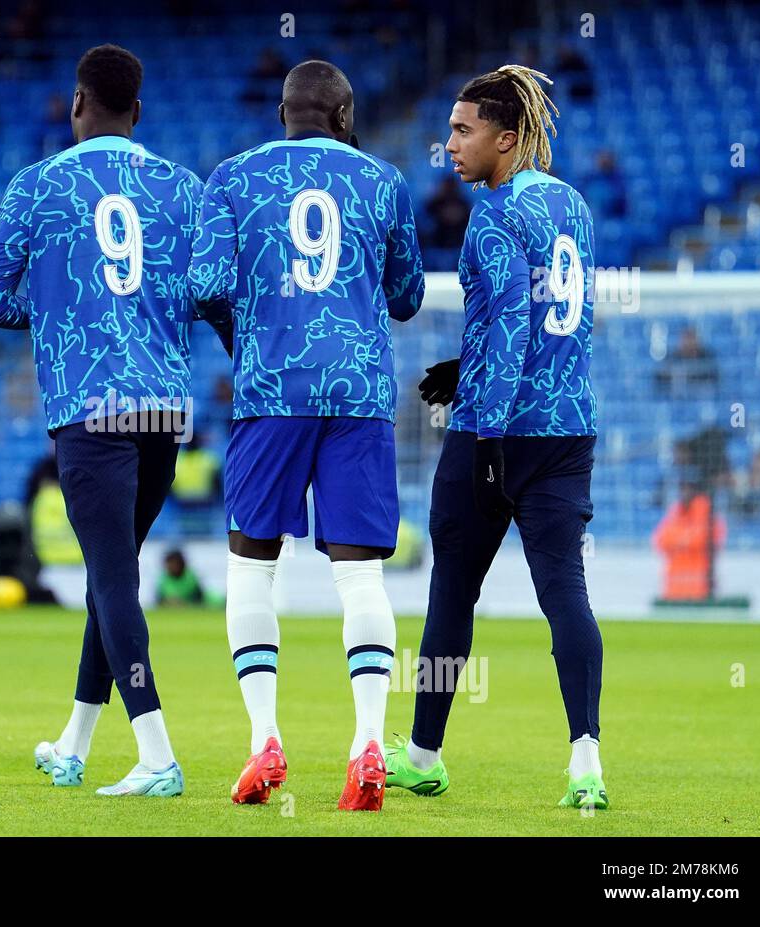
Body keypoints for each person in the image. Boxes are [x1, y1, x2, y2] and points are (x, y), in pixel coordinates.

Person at [189, 59, 423, 812]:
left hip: (270, 392)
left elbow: (205, 286)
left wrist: (248, 338)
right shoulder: (382, 180)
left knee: (251, 567)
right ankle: (367, 745)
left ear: (282, 113)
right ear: (345, 114)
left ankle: (264, 737)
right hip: (357, 394)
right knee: (360, 576)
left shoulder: (230, 177)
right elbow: (408, 295)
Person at [0, 45, 202, 798]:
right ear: (137, 113)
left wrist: (61, 304)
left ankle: (157, 753)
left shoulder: (37, 186)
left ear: (78, 104)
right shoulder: (181, 187)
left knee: (109, 577)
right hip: (166, 409)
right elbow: (209, 290)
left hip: (91, 404)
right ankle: (73, 742)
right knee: (116, 576)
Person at [404, 65, 605, 811]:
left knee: (453, 588)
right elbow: (559, 312)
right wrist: (468, 361)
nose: (450, 143)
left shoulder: (491, 215)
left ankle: (424, 753)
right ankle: (586, 758)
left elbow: (515, 323)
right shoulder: (573, 206)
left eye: (463, 130)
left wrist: (484, 430)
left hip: (499, 432)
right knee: (564, 592)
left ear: (506, 138)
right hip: (568, 427)